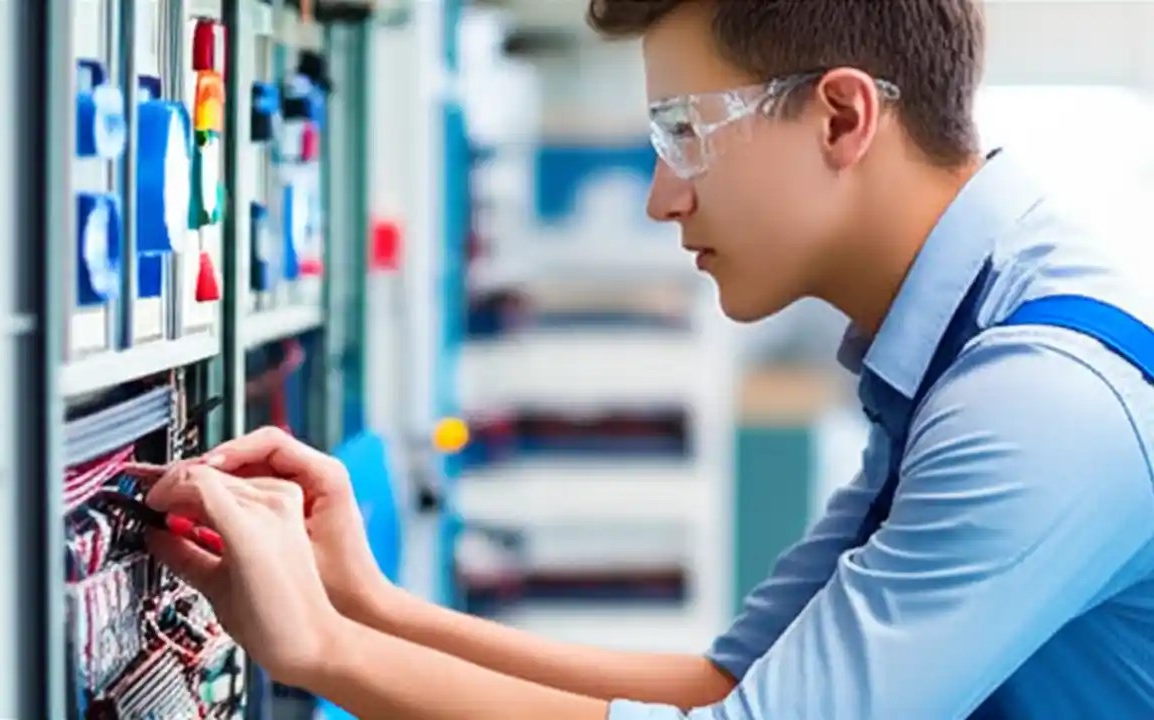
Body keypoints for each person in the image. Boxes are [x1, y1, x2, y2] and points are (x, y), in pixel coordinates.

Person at [142, 1, 1154, 718]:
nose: (659, 195)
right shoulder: (955, 349)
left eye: (683, 133)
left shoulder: (1037, 404)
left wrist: (322, 652)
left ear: (840, 117)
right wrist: (367, 608)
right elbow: (729, 687)